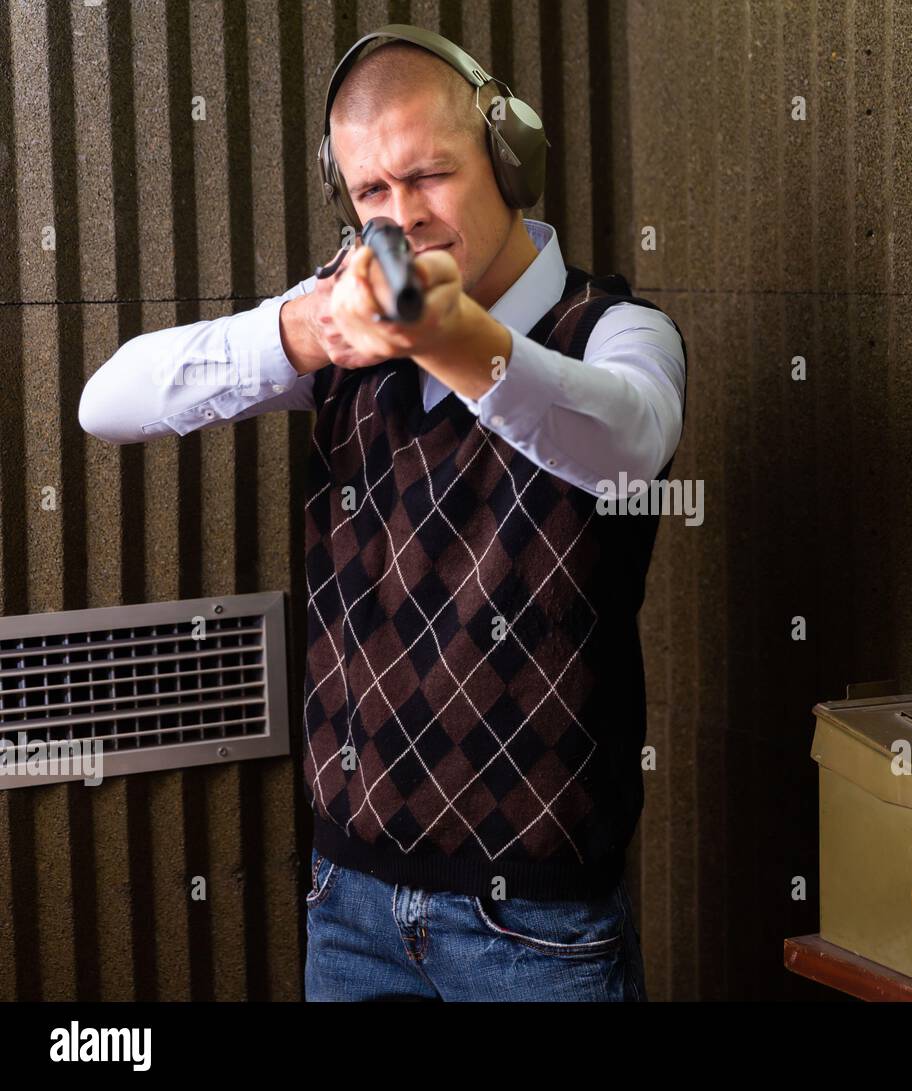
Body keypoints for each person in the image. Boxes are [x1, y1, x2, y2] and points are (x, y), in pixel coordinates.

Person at [78, 25, 687, 1002]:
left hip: (534, 922)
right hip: (346, 896)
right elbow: (105, 400)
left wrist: (455, 340)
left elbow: (628, 441)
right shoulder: (347, 328)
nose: (402, 220)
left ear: (506, 158)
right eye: (372, 193)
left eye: (429, 175)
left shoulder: (619, 332)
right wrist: (303, 327)